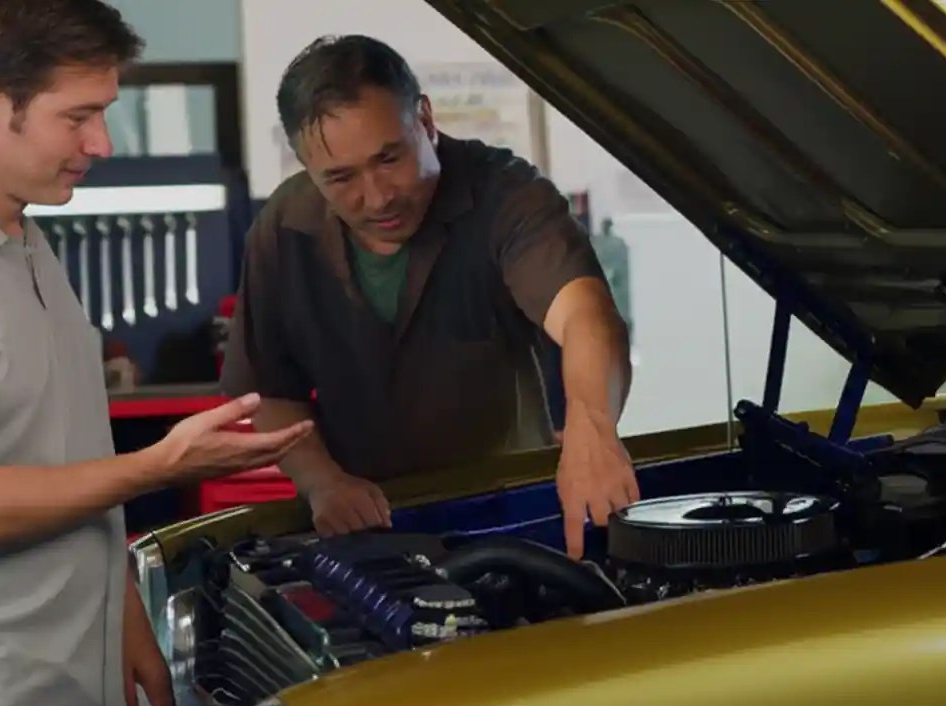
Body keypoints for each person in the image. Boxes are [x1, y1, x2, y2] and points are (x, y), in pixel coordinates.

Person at [0, 2, 312, 706]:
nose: (101, 141)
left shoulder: (23, 244)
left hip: (81, 673)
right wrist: (161, 467)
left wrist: (122, 613)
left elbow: (62, 453)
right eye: (77, 117)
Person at [221, 35, 638, 559]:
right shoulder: (283, 228)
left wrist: (592, 430)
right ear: (305, 166)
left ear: (425, 119)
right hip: (363, 528)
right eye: (341, 178)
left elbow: (584, 315)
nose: (377, 197)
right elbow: (270, 392)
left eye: (389, 158)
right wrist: (322, 482)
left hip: (513, 519)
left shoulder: (505, 195)